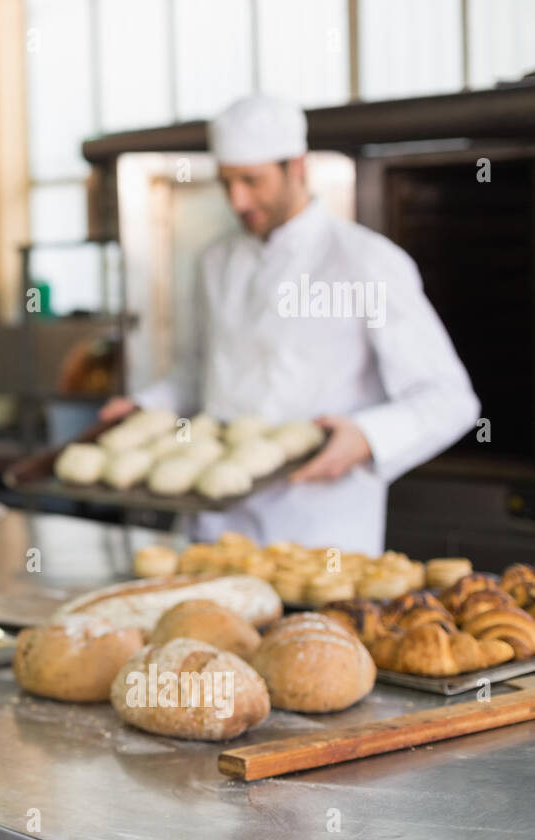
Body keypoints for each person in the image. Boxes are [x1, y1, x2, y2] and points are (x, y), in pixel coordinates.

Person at [99, 94, 479, 554]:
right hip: (216, 529)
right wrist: (145, 406)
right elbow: (198, 371)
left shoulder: (364, 261)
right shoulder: (215, 261)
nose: (238, 200)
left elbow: (448, 399)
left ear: (297, 167)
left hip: (317, 533)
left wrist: (366, 438)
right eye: (226, 183)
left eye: (252, 181)